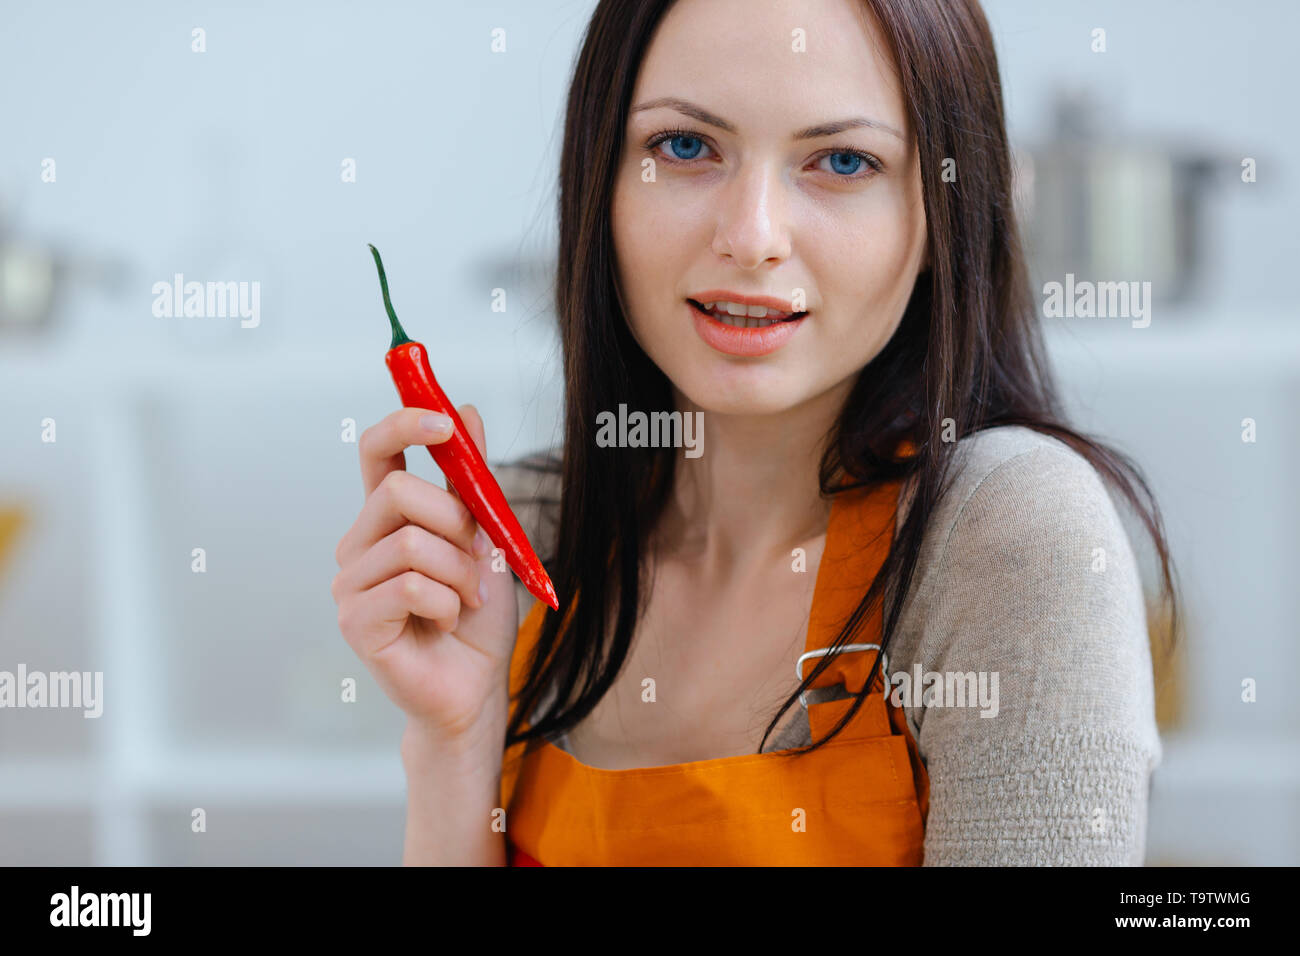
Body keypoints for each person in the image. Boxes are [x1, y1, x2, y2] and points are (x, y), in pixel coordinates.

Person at [332, 0, 1179, 866]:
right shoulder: (516, 543)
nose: (751, 238)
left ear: (943, 215)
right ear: (600, 183)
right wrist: (454, 740)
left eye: (843, 161)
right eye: (686, 147)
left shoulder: (1001, 539)